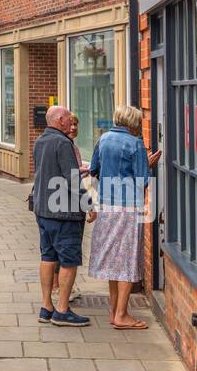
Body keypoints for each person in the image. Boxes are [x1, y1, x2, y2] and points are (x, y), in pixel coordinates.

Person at [86, 105, 160, 329]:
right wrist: (148, 164)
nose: (139, 126)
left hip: (107, 204)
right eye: (138, 122)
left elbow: (94, 169)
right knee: (127, 260)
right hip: (128, 207)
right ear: (132, 123)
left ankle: (114, 311)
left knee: (113, 259)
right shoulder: (135, 143)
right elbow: (142, 179)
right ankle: (122, 315)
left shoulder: (104, 139)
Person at [32, 105, 90, 327]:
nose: (69, 122)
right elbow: (72, 180)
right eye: (67, 118)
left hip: (43, 210)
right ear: (58, 120)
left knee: (48, 257)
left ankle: (46, 307)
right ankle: (63, 310)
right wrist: (88, 205)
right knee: (68, 261)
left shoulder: (40, 141)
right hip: (63, 213)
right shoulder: (63, 143)